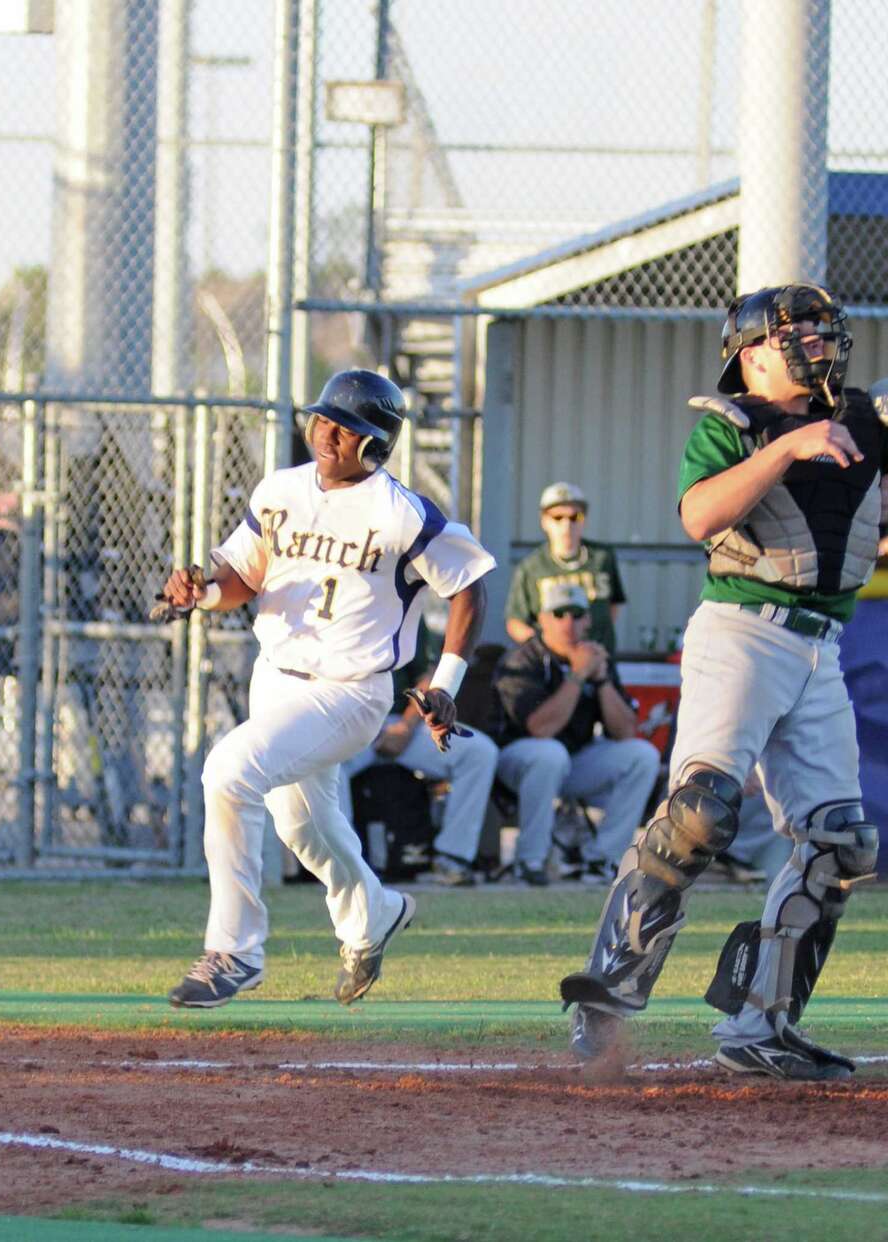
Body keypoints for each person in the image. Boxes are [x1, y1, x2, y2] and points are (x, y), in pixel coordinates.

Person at [560, 278, 888, 1082]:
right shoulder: (734, 425)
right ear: (749, 354)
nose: (816, 340)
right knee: (701, 815)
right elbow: (699, 518)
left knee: (841, 843)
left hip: (822, 647)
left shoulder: (866, 419)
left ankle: (759, 1024)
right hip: (741, 631)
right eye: (795, 331)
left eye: (820, 327)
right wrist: (784, 448)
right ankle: (606, 993)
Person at [160, 369, 494, 1008]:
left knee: (228, 771)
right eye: (323, 419)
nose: (328, 433)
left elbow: (470, 586)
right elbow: (244, 577)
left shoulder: (402, 512)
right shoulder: (280, 490)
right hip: (276, 678)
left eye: (348, 428)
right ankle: (374, 911)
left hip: (350, 691)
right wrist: (200, 592)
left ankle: (234, 951)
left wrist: (446, 681)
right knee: (304, 827)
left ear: (378, 443)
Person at [492, 581, 660, 886]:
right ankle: (531, 859)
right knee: (549, 754)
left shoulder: (594, 658)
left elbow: (625, 732)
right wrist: (578, 675)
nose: (568, 622)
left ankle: (603, 859)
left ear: (587, 621)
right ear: (541, 619)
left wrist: (601, 680)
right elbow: (540, 728)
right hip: (514, 763)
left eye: (577, 614)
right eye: (559, 614)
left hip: (571, 761)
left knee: (642, 755)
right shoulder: (521, 659)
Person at [338, 615, 499, 886]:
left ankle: (452, 858)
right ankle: (345, 868)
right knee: (327, 764)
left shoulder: (404, 600)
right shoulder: (324, 601)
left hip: (399, 720)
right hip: (344, 721)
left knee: (479, 752)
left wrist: (406, 726)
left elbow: (425, 676)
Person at [505, 482, 626, 653]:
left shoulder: (603, 558)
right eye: (557, 517)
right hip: (552, 666)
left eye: (575, 517)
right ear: (544, 521)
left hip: (599, 660)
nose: (566, 525)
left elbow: (613, 606)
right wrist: (546, 646)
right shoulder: (531, 566)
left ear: (584, 519)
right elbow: (515, 622)